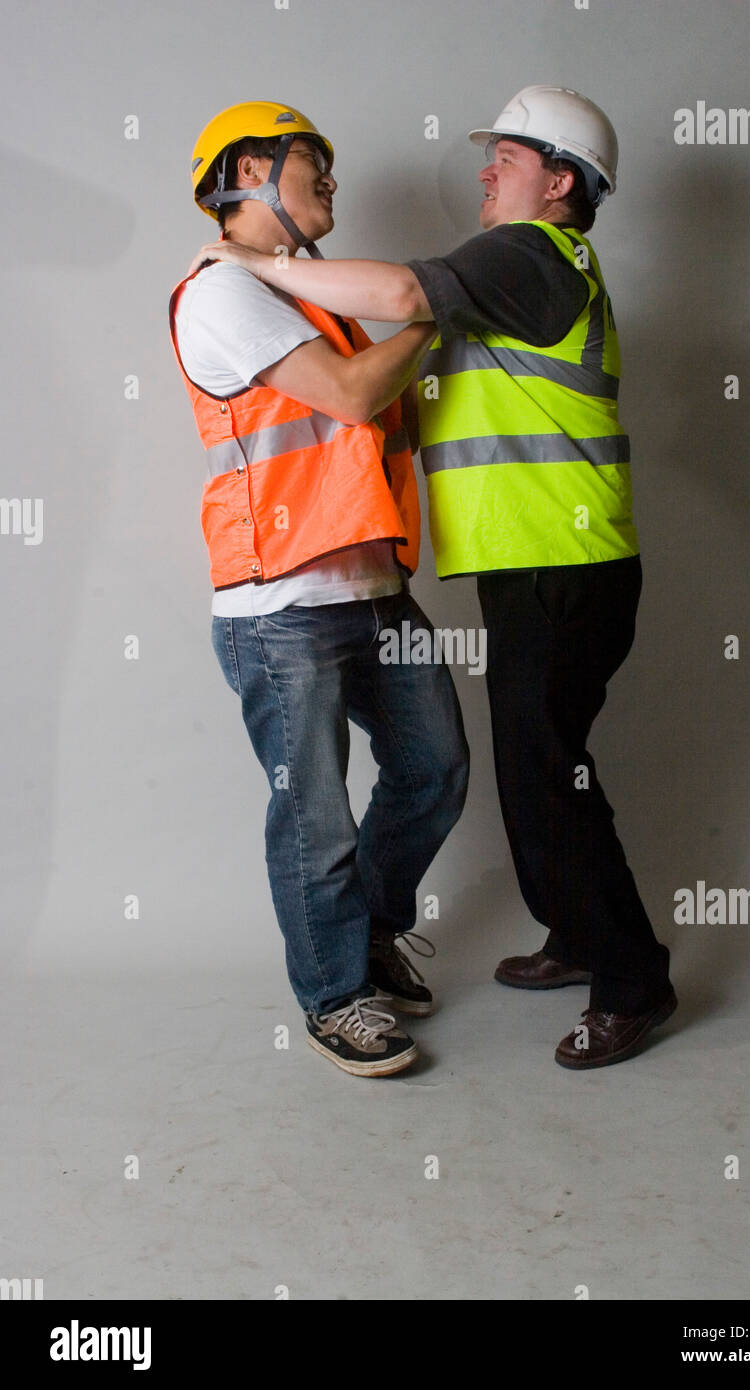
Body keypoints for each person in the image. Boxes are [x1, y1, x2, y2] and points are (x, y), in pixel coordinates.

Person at [187, 86, 676, 1070]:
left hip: (556, 560)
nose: (487, 170)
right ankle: (549, 940)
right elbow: (380, 391)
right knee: (516, 775)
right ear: (248, 172)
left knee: (539, 776)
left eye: (508, 155)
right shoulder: (240, 293)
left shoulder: (529, 253)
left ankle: (632, 976)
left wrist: (273, 261)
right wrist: (298, 280)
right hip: (387, 580)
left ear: (562, 179)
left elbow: (406, 316)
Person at [169, 101, 469, 1078]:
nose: (332, 180)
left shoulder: (313, 300)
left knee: (433, 769)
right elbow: (347, 396)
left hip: (369, 581)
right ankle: (336, 998)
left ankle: (369, 940)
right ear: (248, 171)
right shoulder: (221, 290)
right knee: (314, 813)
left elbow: (385, 423)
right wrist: (431, 309)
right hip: (277, 605)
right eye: (313, 163)